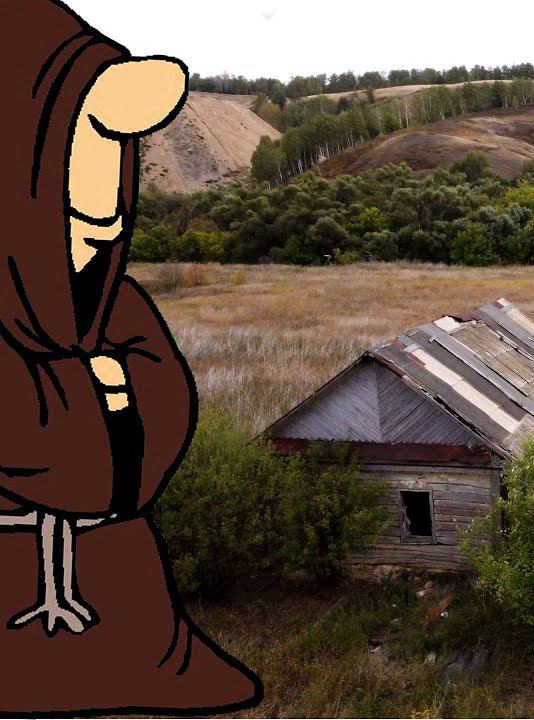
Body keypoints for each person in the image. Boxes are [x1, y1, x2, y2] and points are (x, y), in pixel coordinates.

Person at [0, 1, 261, 714]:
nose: (107, 215)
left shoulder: (115, 298)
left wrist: (77, 398)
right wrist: (106, 389)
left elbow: (162, 420)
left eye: (112, 153)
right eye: (79, 143)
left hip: (121, 600)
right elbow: (58, 455)